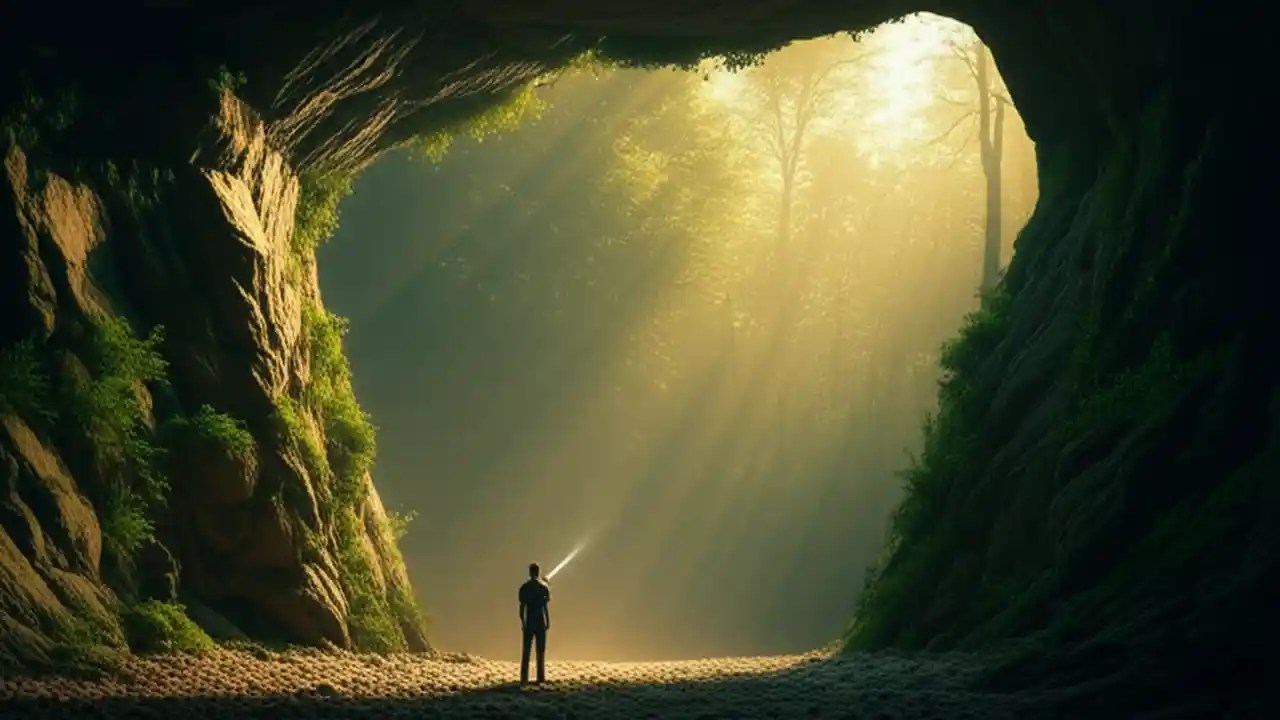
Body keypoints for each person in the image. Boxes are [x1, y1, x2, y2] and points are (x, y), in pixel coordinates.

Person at [518, 562, 551, 684]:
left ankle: (524, 678)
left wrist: (523, 622)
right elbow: (544, 607)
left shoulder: (524, 588)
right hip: (540, 622)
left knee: (526, 651)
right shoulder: (543, 588)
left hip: (530, 621)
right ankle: (540, 678)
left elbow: (522, 608)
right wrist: (548, 621)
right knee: (540, 651)